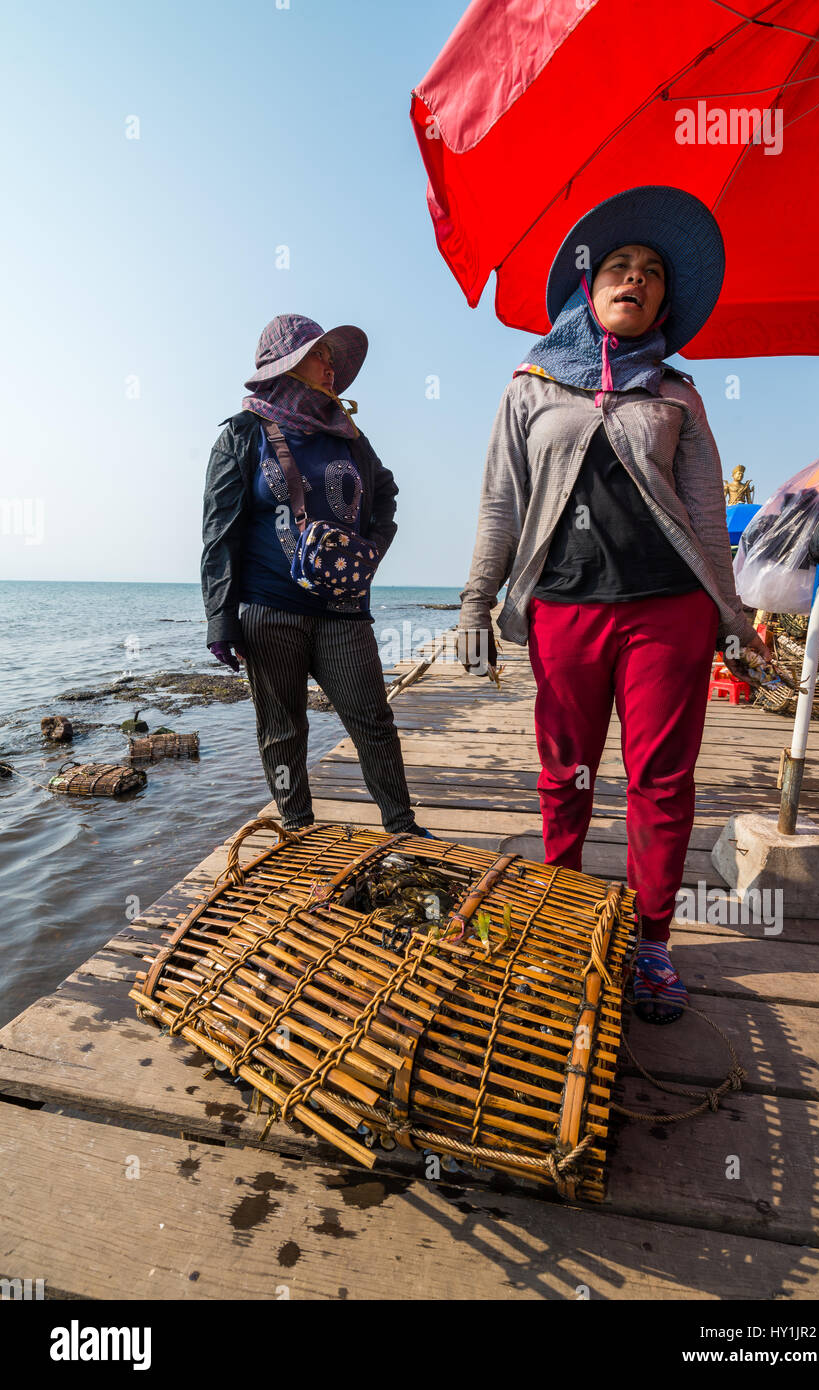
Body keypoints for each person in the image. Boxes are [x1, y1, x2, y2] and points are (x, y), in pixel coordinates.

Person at [457, 186, 770, 1023]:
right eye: (620, 267)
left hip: (669, 611)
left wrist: (735, 622)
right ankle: (563, 923)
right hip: (563, 610)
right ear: (586, 290)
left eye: (652, 272)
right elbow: (501, 504)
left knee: (661, 782)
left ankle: (653, 943)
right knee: (566, 775)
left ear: (664, 300)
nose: (635, 277)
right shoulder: (528, 385)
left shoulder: (677, 393)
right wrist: (471, 607)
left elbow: (707, 520)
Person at [201, 313, 429, 838]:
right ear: (287, 366)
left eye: (330, 355)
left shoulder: (349, 436)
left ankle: (402, 826)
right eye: (318, 355)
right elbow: (219, 533)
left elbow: (387, 494)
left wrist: (373, 549)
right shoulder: (241, 435)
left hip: (344, 611)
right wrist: (221, 618)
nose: (330, 365)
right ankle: (298, 831)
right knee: (282, 732)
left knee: (372, 720)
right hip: (268, 608)